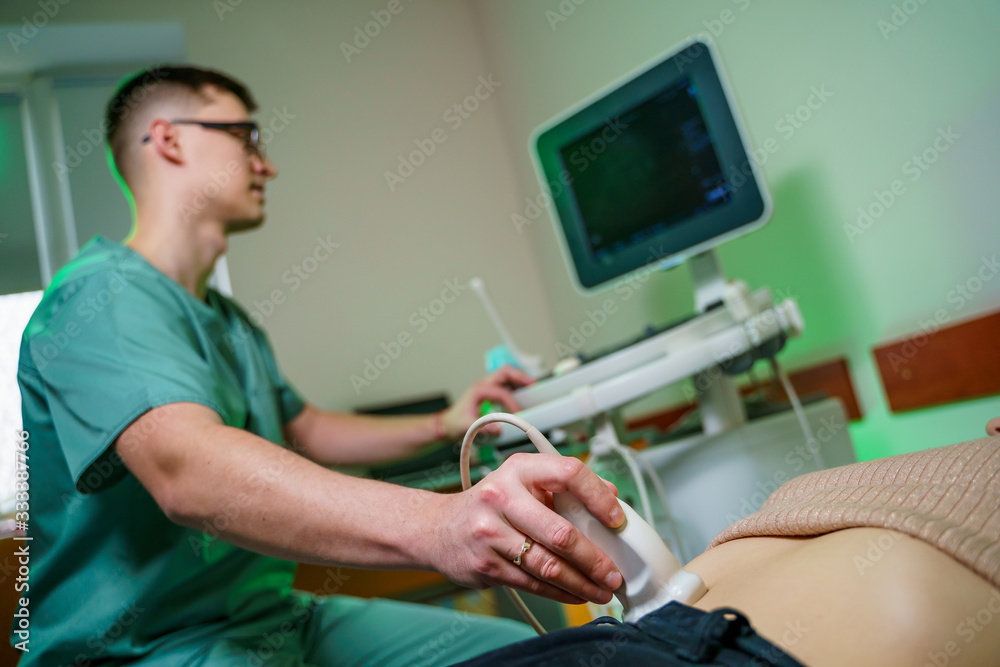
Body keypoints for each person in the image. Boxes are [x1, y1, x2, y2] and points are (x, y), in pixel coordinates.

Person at [13, 65, 628, 666]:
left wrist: (447, 422)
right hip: (150, 647)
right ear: (169, 138)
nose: (267, 164)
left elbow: (305, 428)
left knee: (561, 655)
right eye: (245, 136)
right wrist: (441, 523)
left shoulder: (227, 320)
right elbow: (187, 470)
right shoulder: (99, 297)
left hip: (272, 617)